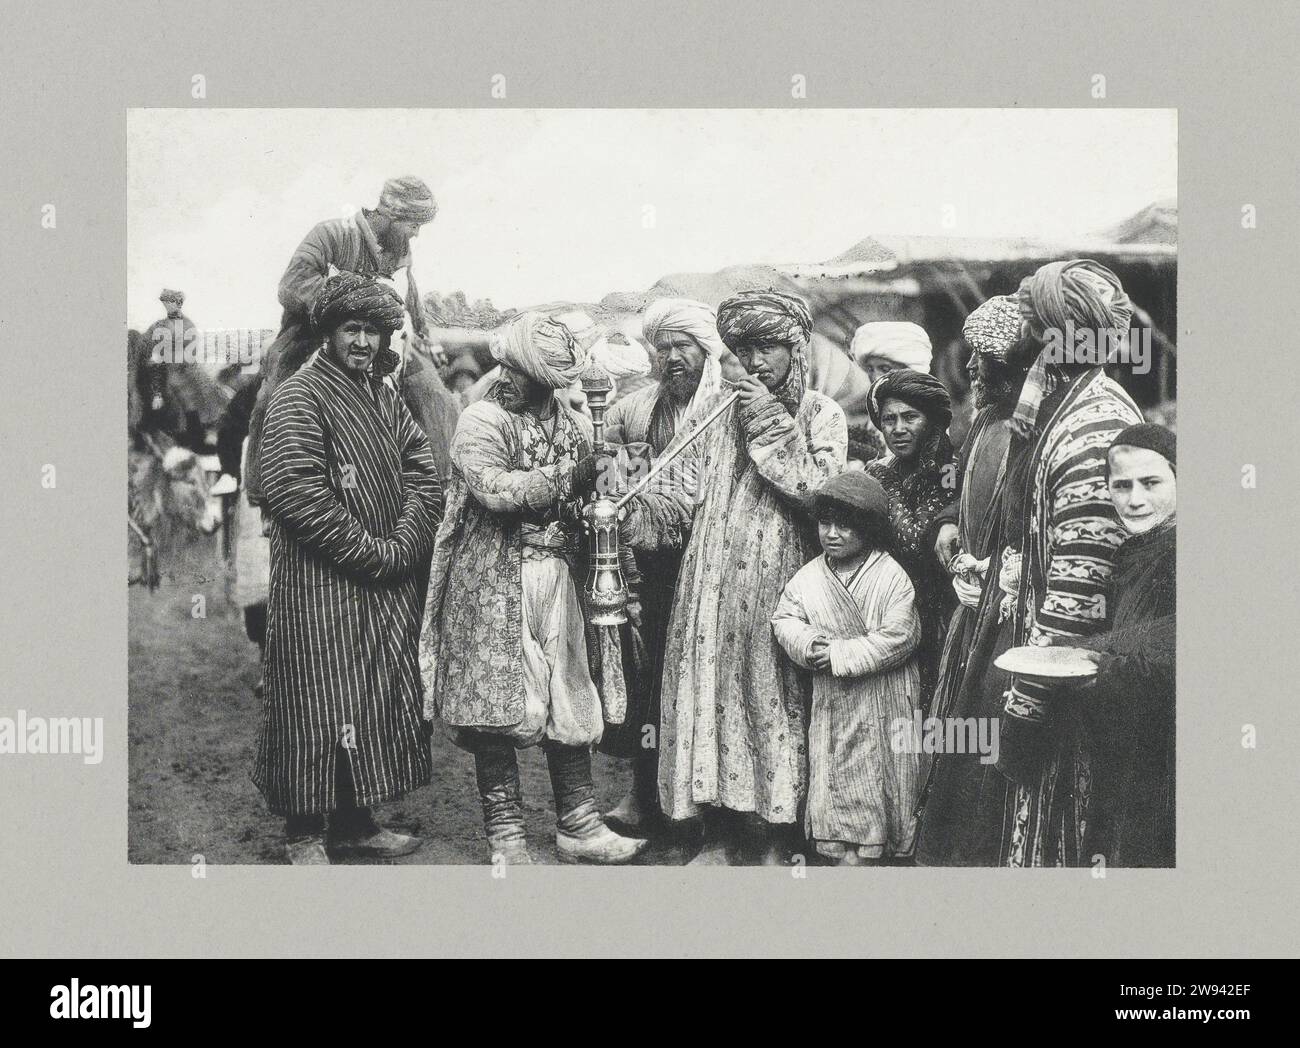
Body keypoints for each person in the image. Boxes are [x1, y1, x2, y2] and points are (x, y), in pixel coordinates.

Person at [620, 289, 848, 864]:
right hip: (708, 591)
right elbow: (680, 497)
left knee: (772, 703)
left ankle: (776, 836)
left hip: (782, 588)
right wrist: (630, 507)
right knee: (711, 701)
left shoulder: (821, 414)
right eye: (743, 350)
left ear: (795, 349)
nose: (755, 363)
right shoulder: (710, 410)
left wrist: (768, 420)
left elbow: (819, 493)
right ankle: (719, 834)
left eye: (768, 348)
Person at [418, 309, 649, 866]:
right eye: (518, 373)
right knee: (497, 702)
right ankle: (506, 834)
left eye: (541, 381)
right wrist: (569, 478)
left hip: (557, 576)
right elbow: (494, 490)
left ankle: (579, 824)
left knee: (567, 692)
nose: (523, 385)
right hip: (493, 578)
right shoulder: (480, 420)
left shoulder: (564, 420)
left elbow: (578, 490)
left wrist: (603, 485)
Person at [252, 272, 443, 865]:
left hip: (384, 582)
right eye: (350, 329)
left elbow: (424, 474)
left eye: (372, 331)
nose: (361, 341)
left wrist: (406, 544)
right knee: (314, 701)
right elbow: (294, 492)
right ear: (329, 334)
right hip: (320, 585)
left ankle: (357, 822)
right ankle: (304, 834)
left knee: (371, 700)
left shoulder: (384, 395)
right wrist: (371, 553)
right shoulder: (298, 397)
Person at [993, 258, 1144, 867]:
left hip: (1073, 688)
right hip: (1061, 674)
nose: (1018, 339)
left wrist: (1025, 706)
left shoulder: (1094, 426)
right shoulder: (1070, 404)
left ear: (1059, 333)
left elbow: (1080, 584)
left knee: (1069, 847)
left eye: (1028, 323)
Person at [245, 176, 459, 506]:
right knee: (273, 393)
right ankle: (267, 493)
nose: (417, 233)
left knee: (435, 395)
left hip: (384, 342)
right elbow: (291, 284)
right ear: (393, 215)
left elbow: (411, 295)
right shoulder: (332, 234)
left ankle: (440, 492)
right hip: (314, 335)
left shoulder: (401, 250)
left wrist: (427, 338)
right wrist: (346, 303)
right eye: (414, 225)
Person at [598, 297, 728, 834]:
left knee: (704, 678)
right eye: (664, 347)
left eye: (684, 346)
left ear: (706, 350)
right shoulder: (633, 411)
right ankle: (643, 793)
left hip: (712, 554)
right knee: (646, 674)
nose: (673, 357)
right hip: (651, 560)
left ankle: (705, 805)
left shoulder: (723, 407)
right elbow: (613, 479)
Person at [913, 296, 1036, 862]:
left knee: (988, 730)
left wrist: (999, 570)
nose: (972, 371)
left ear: (1014, 363)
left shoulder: (1033, 429)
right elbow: (959, 487)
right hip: (970, 603)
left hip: (1007, 613)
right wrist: (944, 526)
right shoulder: (984, 420)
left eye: (984, 359)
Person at [772, 471, 922, 864]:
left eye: (845, 524)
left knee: (879, 766)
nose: (832, 534)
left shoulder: (891, 577)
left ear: (868, 528)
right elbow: (784, 619)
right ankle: (838, 845)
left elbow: (900, 636)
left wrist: (839, 655)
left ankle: (875, 845)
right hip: (833, 701)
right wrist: (808, 644)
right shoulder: (808, 578)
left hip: (881, 695)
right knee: (836, 766)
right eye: (825, 523)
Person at [1067, 424, 1176, 867]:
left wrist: (1097, 653)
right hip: (1130, 727)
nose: (1135, 500)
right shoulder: (1133, 550)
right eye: (1121, 486)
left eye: (1152, 484)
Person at [864, 368, 957, 709]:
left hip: (936, 618)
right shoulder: (887, 468)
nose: (898, 429)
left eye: (910, 417)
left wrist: (883, 482)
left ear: (931, 420)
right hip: (888, 616)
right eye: (888, 420)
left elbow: (917, 541)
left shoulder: (949, 470)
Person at [137, 289, 225, 451]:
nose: (168, 306)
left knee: (190, 398)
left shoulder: (187, 325)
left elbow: (189, 352)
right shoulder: (160, 325)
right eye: (166, 303)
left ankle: (196, 439)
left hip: (184, 370)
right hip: (165, 370)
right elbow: (148, 342)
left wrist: (166, 357)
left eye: (171, 303)